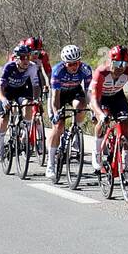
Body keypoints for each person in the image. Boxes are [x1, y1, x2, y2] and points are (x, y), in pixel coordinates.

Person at [89, 45, 128, 167]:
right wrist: (100, 115)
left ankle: (126, 159)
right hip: (99, 96)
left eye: (124, 63)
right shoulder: (101, 72)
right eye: (117, 63)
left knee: (125, 122)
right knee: (103, 119)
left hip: (116, 95)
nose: (120, 67)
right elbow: (94, 99)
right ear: (110, 61)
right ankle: (97, 152)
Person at [47, 44, 93, 178]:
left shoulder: (85, 69)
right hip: (59, 94)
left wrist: (92, 109)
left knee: (81, 105)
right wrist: (56, 114)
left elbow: (89, 93)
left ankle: (75, 130)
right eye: (71, 64)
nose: (74, 66)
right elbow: (55, 98)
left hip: (74, 91)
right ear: (64, 63)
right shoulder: (57, 70)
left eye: (77, 63)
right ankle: (50, 164)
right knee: (58, 126)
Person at [0, 44, 44, 161]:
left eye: (28, 56)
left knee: (28, 104)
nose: (26, 60)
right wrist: (3, 99)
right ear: (16, 58)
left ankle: (24, 134)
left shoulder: (32, 67)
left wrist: (36, 99)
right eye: (22, 57)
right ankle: (0, 146)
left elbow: (36, 86)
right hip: (6, 92)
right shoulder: (9, 67)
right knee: (4, 118)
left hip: (21, 91)